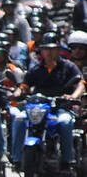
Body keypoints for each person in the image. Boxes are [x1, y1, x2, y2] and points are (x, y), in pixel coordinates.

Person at [10, 33, 83, 168]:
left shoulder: (69, 67)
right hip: (38, 108)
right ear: (41, 50)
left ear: (58, 49)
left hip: (60, 107)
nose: (49, 52)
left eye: (52, 48)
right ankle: (17, 158)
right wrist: (17, 93)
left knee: (65, 122)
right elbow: (24, 86)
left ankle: (67, 160)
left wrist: (73, 96)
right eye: (46, 49)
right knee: (19, 118)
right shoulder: (35, 69)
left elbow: (80, 84)